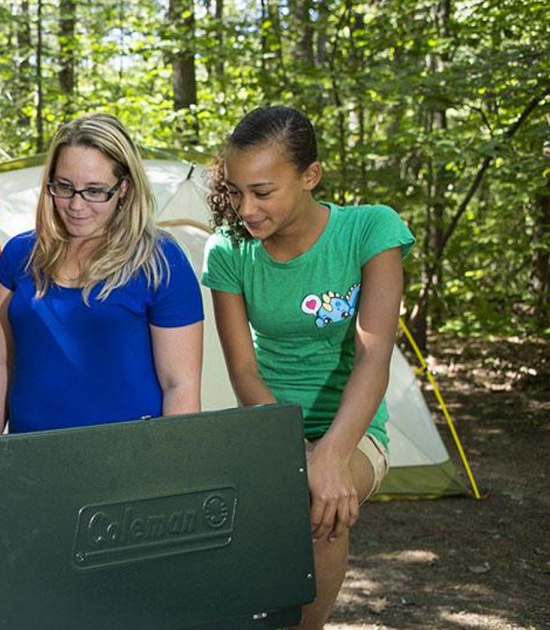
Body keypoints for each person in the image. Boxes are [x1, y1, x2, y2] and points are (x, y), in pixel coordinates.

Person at [201, 105, 414, 629]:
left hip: (356, 428)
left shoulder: (370, 230)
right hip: (270, 424)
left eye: (263, 191)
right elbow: (245, 373)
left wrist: (330, 456)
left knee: (315, 502)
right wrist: (295, 449)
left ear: (310, 176)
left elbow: (373, 355)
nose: (245, 208)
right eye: (235, 190)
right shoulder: (228, 252)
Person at [0, 112, 203, 445]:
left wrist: (170, 474)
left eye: (95, 191)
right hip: (29, 461)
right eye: (64, 187)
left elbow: (179, 385)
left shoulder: (160, 262)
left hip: (130, 462)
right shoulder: (19, 255)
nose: (76, 205)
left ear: (123, 188)